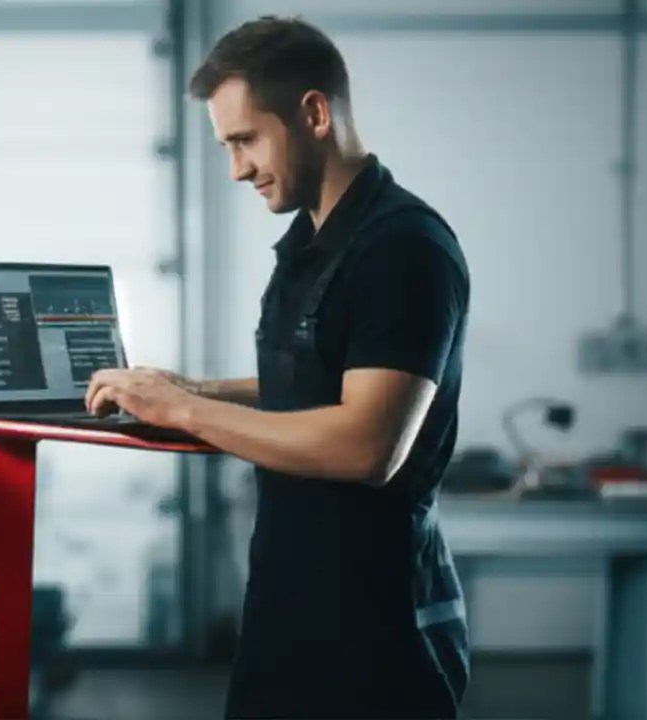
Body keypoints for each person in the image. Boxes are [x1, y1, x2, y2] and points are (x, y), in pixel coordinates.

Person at [85, 16, 471, 719]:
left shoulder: (403, 249)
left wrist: (186, 411)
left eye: (245, 140)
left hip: (375, 635)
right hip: (289, 612)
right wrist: (192, 388)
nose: (237, 169)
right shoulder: (308, 244)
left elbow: (365, 444)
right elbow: (315, 383)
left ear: (314, 114)